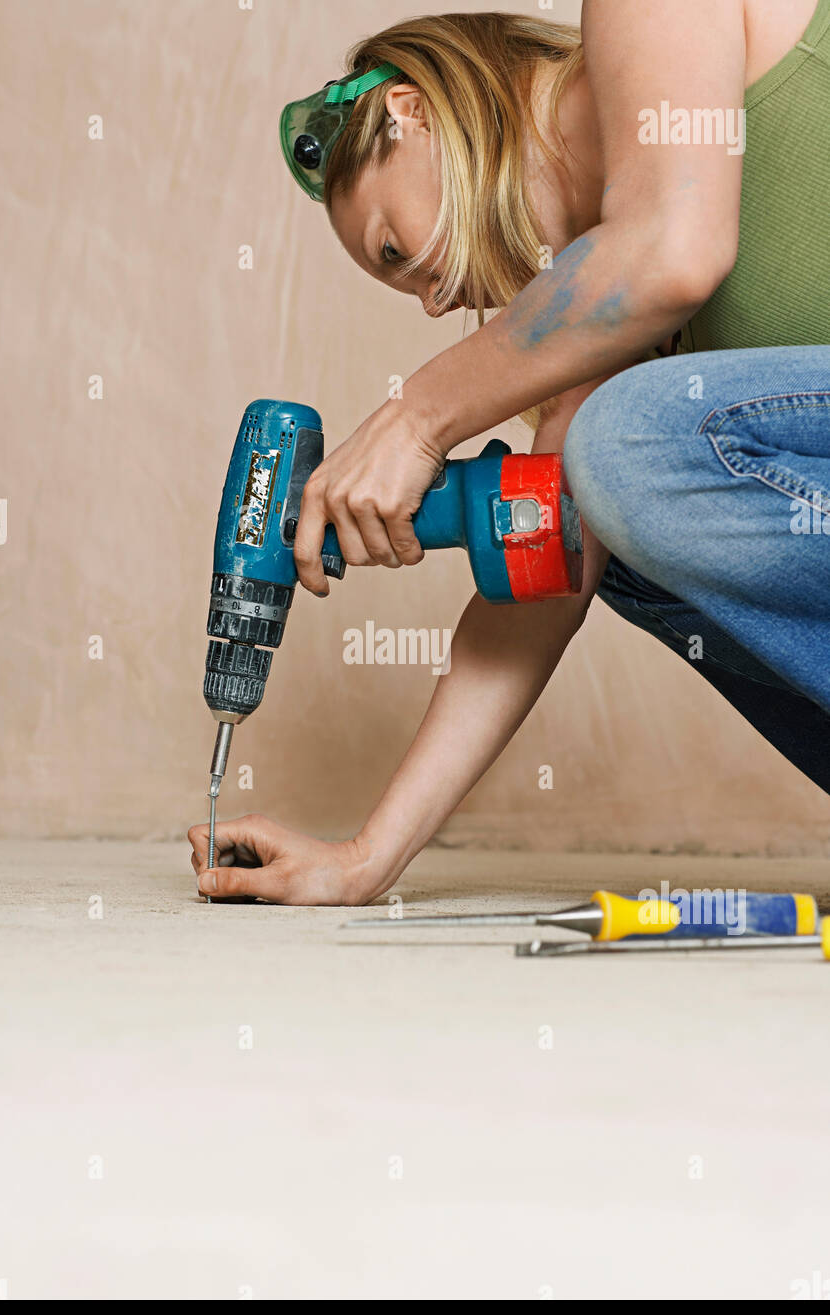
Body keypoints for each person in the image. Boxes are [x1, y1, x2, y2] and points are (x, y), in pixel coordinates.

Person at [190, 3, 830, 906]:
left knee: (621, 445)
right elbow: (535, 593)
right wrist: (368, 859)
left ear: (407, 112)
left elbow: (671, 250)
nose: (427, 302)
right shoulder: (610, 338)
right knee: (563, 519)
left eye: (393, 249)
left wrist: (418, 418)